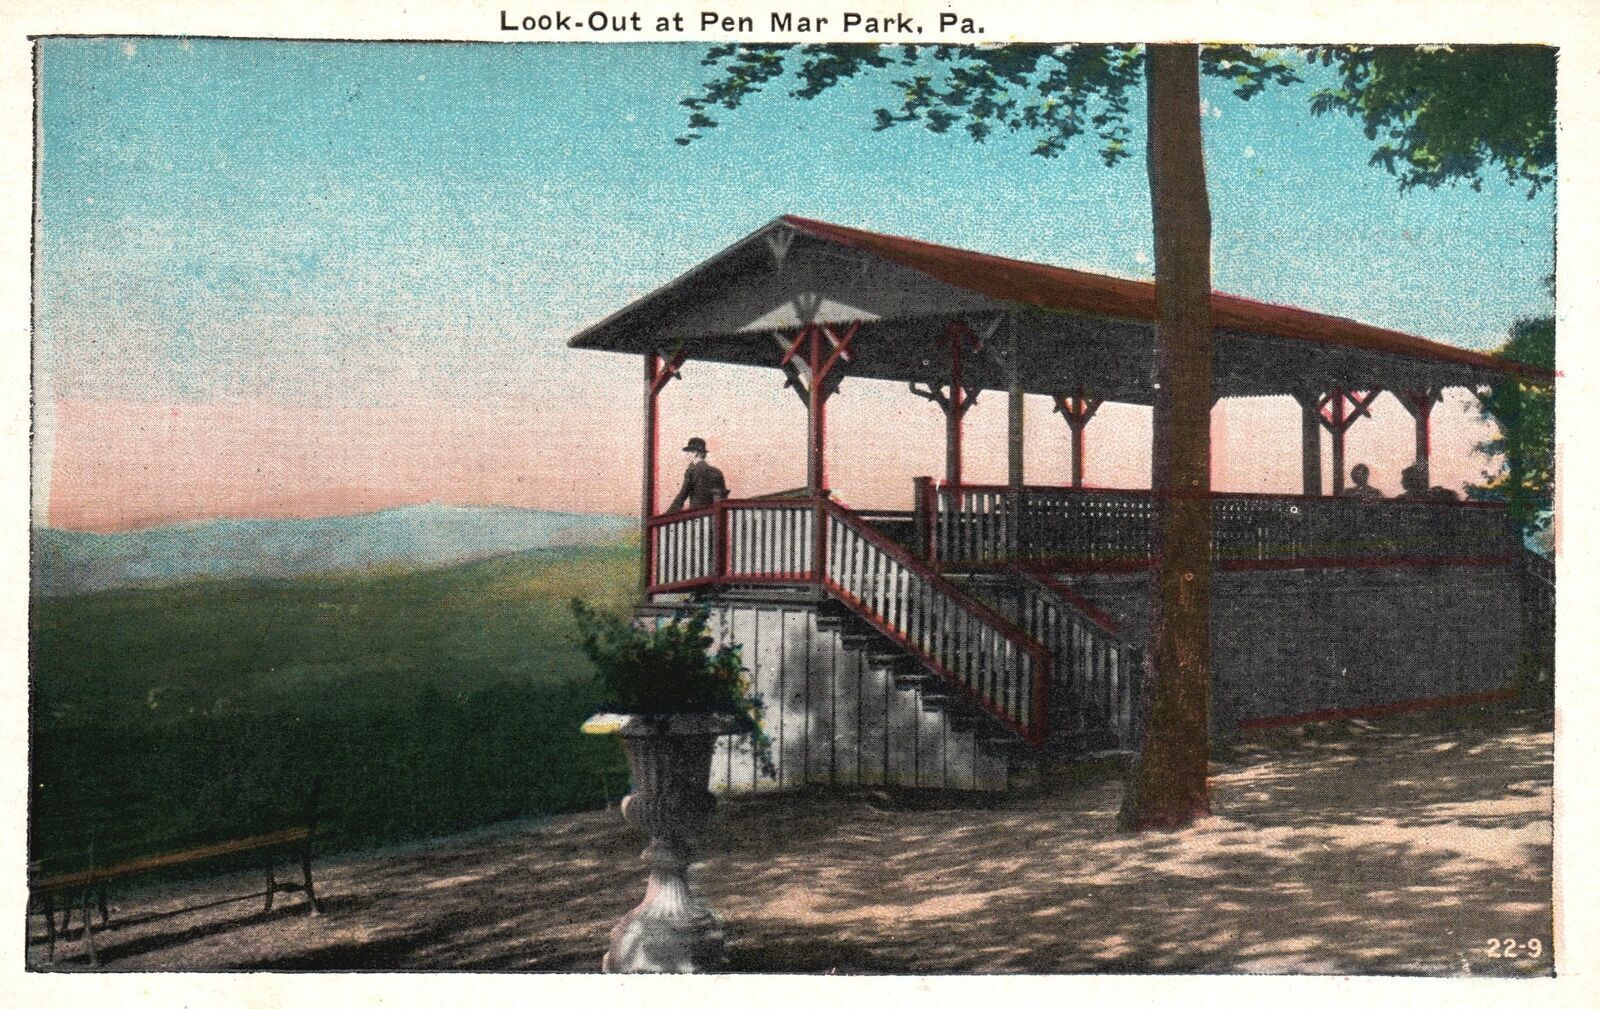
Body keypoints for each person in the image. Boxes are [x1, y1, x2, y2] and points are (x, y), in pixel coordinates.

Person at [667, 436, 729, 512]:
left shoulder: (692, 470)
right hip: (714, 515)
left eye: (689, 452)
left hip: (697, 516)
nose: (686, 455)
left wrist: (668, 514)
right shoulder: (717, 472)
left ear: (696, 453)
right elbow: (723, 497)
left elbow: (682, 496)